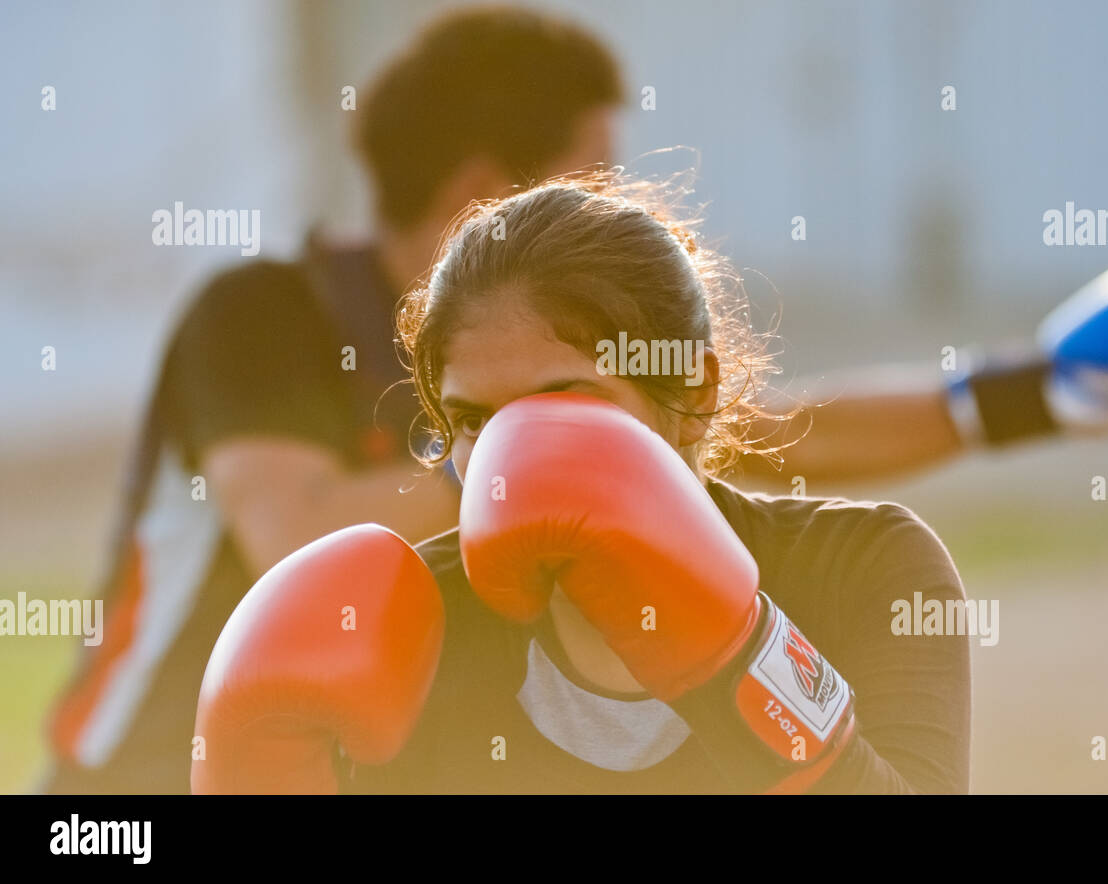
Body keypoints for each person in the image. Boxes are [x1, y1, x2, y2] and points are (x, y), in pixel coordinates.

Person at [191, 173, 973, 794]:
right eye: (474, 418)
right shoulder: (412, 626)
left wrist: (734, 656)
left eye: (561, 405)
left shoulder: (866, 569)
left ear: (693, 396)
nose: (516, 453)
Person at [40, 3, 625, 793]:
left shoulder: (541, 366)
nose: (616, 214)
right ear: (485, 192)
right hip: (132, 793)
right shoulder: (262, 311)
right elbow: (294, 536)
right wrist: (535, 454)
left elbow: (767, 436)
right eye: (593, 181)